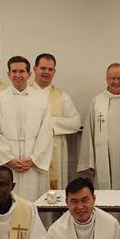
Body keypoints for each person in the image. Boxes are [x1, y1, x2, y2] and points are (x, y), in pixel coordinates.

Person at [0, 56, 53, 202]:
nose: (18, 75)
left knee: (34, 202)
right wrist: (9, 159)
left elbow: (46, 131)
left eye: (22, 71)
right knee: (8, 201)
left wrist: (34, 159)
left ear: (29, 74)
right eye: (14, 71)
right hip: (8, 161)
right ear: (8, 74)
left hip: (32, 162)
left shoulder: (41, 98)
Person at [77, 63, 120, 189]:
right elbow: (89, 132)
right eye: (112, 78)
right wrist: (88, 162)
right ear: (106, 79)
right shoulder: (97, 101)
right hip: (102, 157)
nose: (116, 81)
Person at [29, 53, 81, 189]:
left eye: (50, 69)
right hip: (30, 151)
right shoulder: (25, 94)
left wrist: (50, 123)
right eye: (43, 68)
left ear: (54, 72)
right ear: (34, 69)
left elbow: (76, 123)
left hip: (54, 149)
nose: (46, 72)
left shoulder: (62, 96)